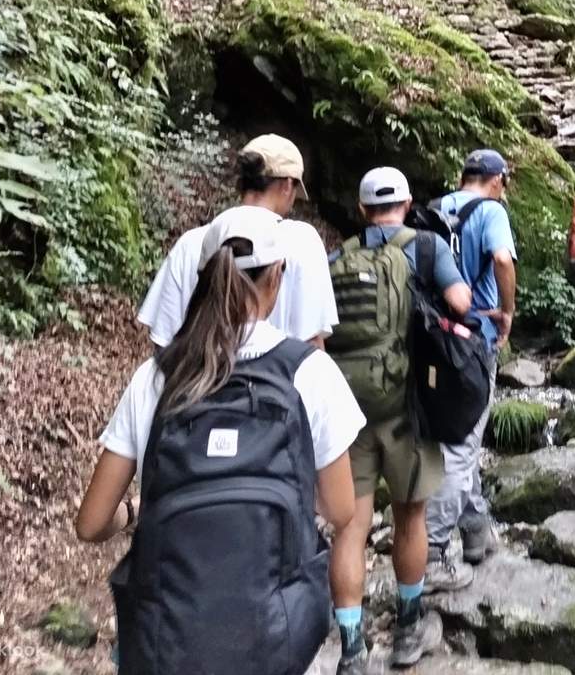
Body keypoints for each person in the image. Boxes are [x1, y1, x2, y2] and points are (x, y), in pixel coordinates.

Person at [77, 207, 363, 674]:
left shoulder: (156, 377)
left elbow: (90, 524)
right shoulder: (310, 373)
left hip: (166, 641)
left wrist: (133, 513)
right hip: (275, 637)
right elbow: (340, 510)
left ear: (203, 278)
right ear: (278, 277)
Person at [327, 167, 475, 673]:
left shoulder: (339, 256)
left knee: (349, 525)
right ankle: (408, 629)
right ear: (408, 203)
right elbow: (460, 302)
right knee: (411, 514)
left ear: (362, 209)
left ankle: (351, 649)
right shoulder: (428, 246)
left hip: (346, 403)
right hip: (406, 401)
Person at [137, 133, 337, 349]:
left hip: (199, 380)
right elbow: (312, 342)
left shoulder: (190, 242)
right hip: (278, 380)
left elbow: (164, 339)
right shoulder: (303, 242)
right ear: (288, 185)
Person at [425, 149, 516, 581]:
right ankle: (431, 549)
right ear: (496, 179)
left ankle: (476, 530)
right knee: (461, 444)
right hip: (474, 340)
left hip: (431, 336)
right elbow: (501, 258)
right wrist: (508, 311)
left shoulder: (433, 209)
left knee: (459, 434)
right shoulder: (492, 211)